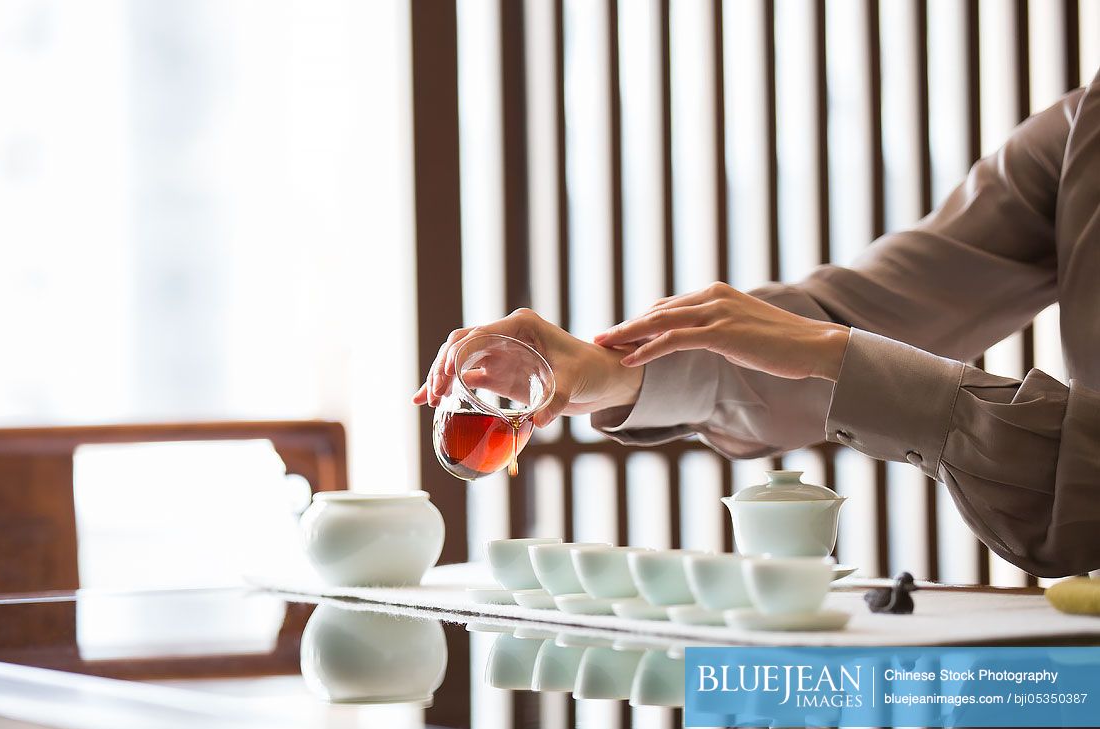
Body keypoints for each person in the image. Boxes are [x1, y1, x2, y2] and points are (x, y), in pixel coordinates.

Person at [414, 80, 1100, 579]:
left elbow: (1082, 500)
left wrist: (829, 352)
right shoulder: (1080, 130)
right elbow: (873, 314)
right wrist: (619, 372)